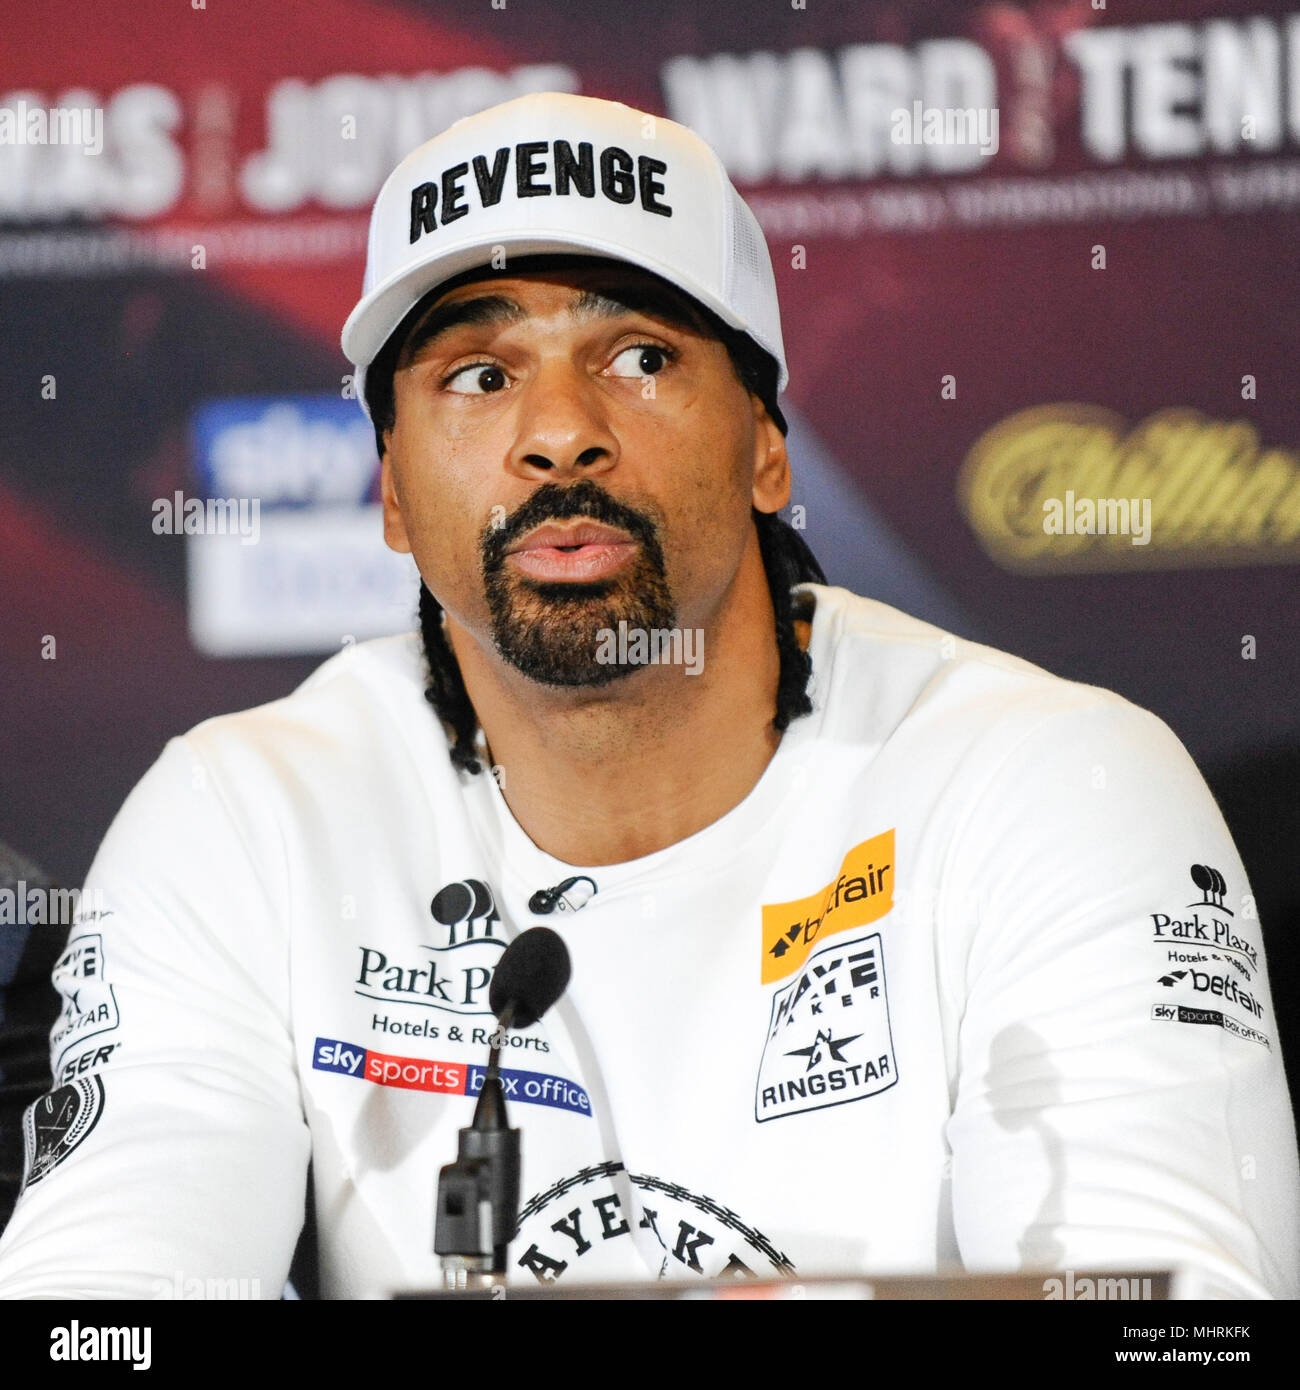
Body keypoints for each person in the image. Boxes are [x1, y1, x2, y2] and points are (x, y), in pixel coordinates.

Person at [0, 91, 1295, 1300]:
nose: (560, 431)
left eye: (637, 356)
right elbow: (107, 1308)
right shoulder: (245, 819)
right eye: (478, 374)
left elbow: (1168, 1321)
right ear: (391, 490)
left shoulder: (1057, 785)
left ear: (769, 449)